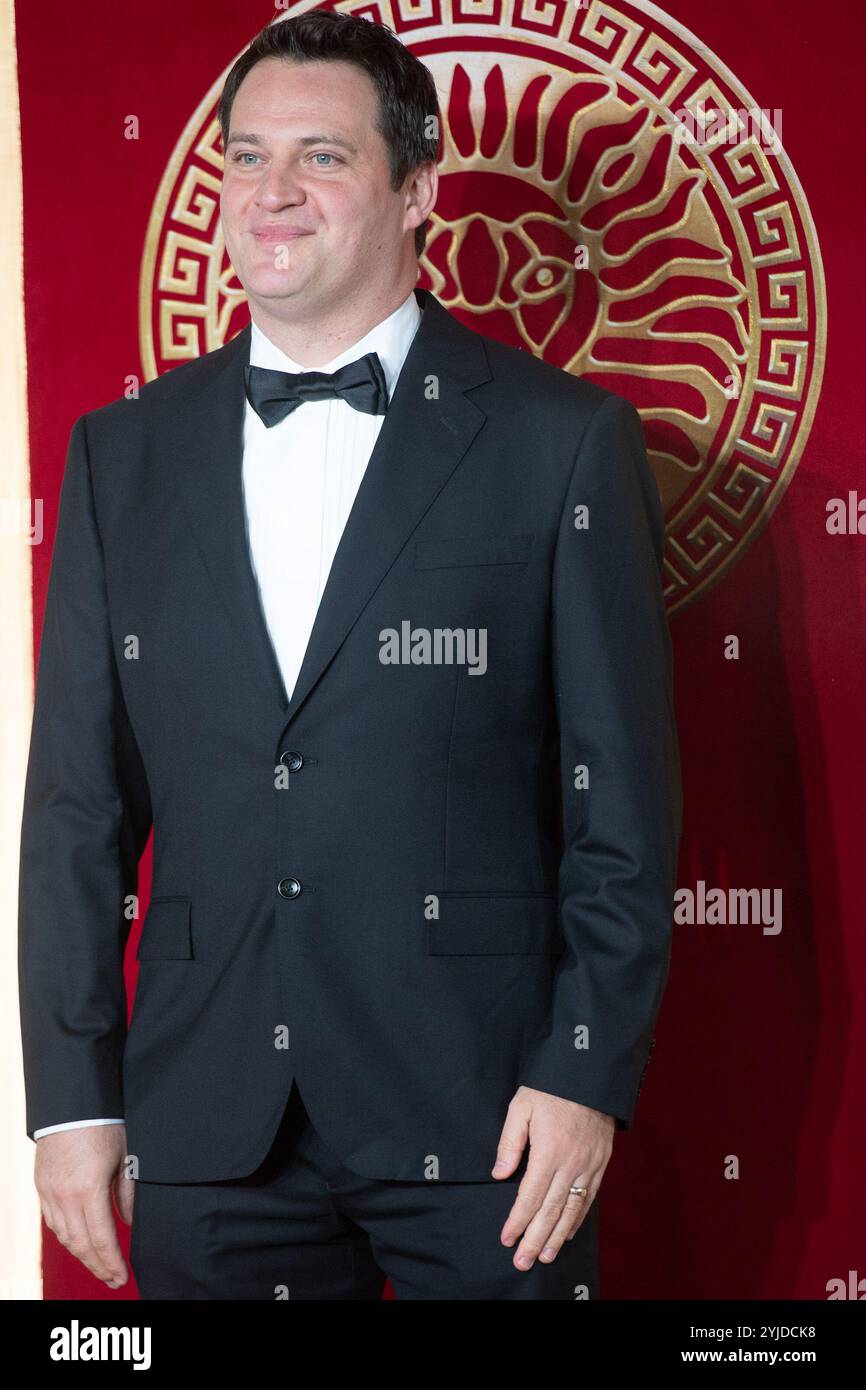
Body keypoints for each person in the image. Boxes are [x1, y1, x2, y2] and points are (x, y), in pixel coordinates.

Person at [18, 9, 682, 1300]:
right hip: (206, 1121)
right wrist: (68, 1100)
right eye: (246, 156)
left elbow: (622, 804)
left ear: (416, 188)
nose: (272, 193)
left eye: (319, 156)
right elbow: (76, 810)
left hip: (489, 1115)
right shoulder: (121, 453)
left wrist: (583, 1070)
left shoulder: (560, 441)